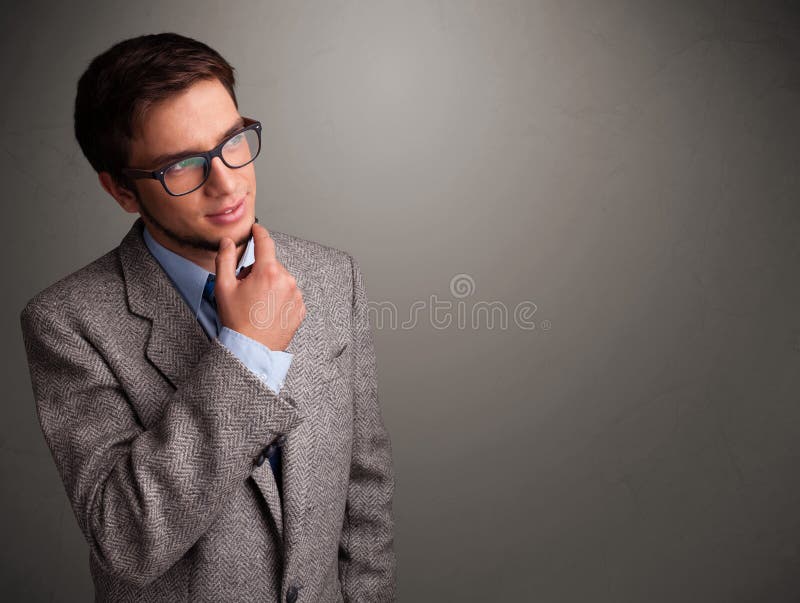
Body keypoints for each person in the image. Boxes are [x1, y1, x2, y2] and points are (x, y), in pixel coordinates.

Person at [19, 32, 395, 602]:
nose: (226, 183)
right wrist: (247, 351)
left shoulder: (332, 276)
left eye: (232, 142)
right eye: (181, 166)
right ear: (121, 190)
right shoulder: (66, 323)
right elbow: (125, 538)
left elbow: (365, 492)